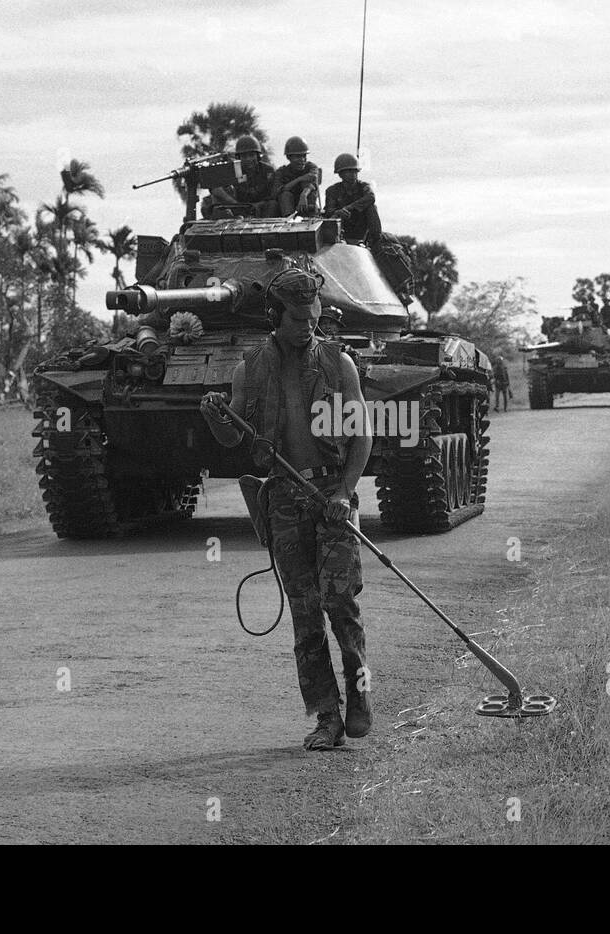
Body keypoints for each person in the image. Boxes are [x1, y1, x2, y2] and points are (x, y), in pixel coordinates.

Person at [199, 267, 373, 751]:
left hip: (332, 498)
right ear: (275, 316)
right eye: (298, 319)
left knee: (341, 603)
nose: (308, 327)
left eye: (314, 318)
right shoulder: (248, 370)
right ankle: (325, 716)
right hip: (283, 502)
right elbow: (235, 438)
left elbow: (362, 435)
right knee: (305, 615)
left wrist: (344, 492)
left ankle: (359, 693)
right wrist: (216, 418)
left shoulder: (340, 364)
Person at [211, 135, 278, 217]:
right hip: (240, 209)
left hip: (262, 208)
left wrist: (258, 205)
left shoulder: (267, 170)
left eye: (251, 155)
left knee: (272, 204)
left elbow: (273, 195)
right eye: (244, 156)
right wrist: (235, 203)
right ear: (239, 157)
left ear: (258, 156)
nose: (248, 159)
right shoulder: (235, 169)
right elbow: (216, 189)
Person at [323, 153, 382, 246]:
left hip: (361, 227)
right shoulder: (332, 191)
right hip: (343, 229)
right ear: (340, 174)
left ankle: (376, 242)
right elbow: (329, 213)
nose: (353, 174)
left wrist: (349, 208)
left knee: (372, 207)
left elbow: (371, 197)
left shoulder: (364, 186)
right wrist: (338, 213)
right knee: (332, 219)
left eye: (355, 171)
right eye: (349, 171)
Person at [273, 136, 322, 216]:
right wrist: (299, 179)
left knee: (307, 186)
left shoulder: (311, 167)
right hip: (287, 209)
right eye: (298, 156)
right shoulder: (282, 171)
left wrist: (304, 195)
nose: (302, 160)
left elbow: (313, 181)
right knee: (285, 194)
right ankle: (289, 220)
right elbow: (277, 191)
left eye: (304, 156)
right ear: (289, 157)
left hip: (308, 207)